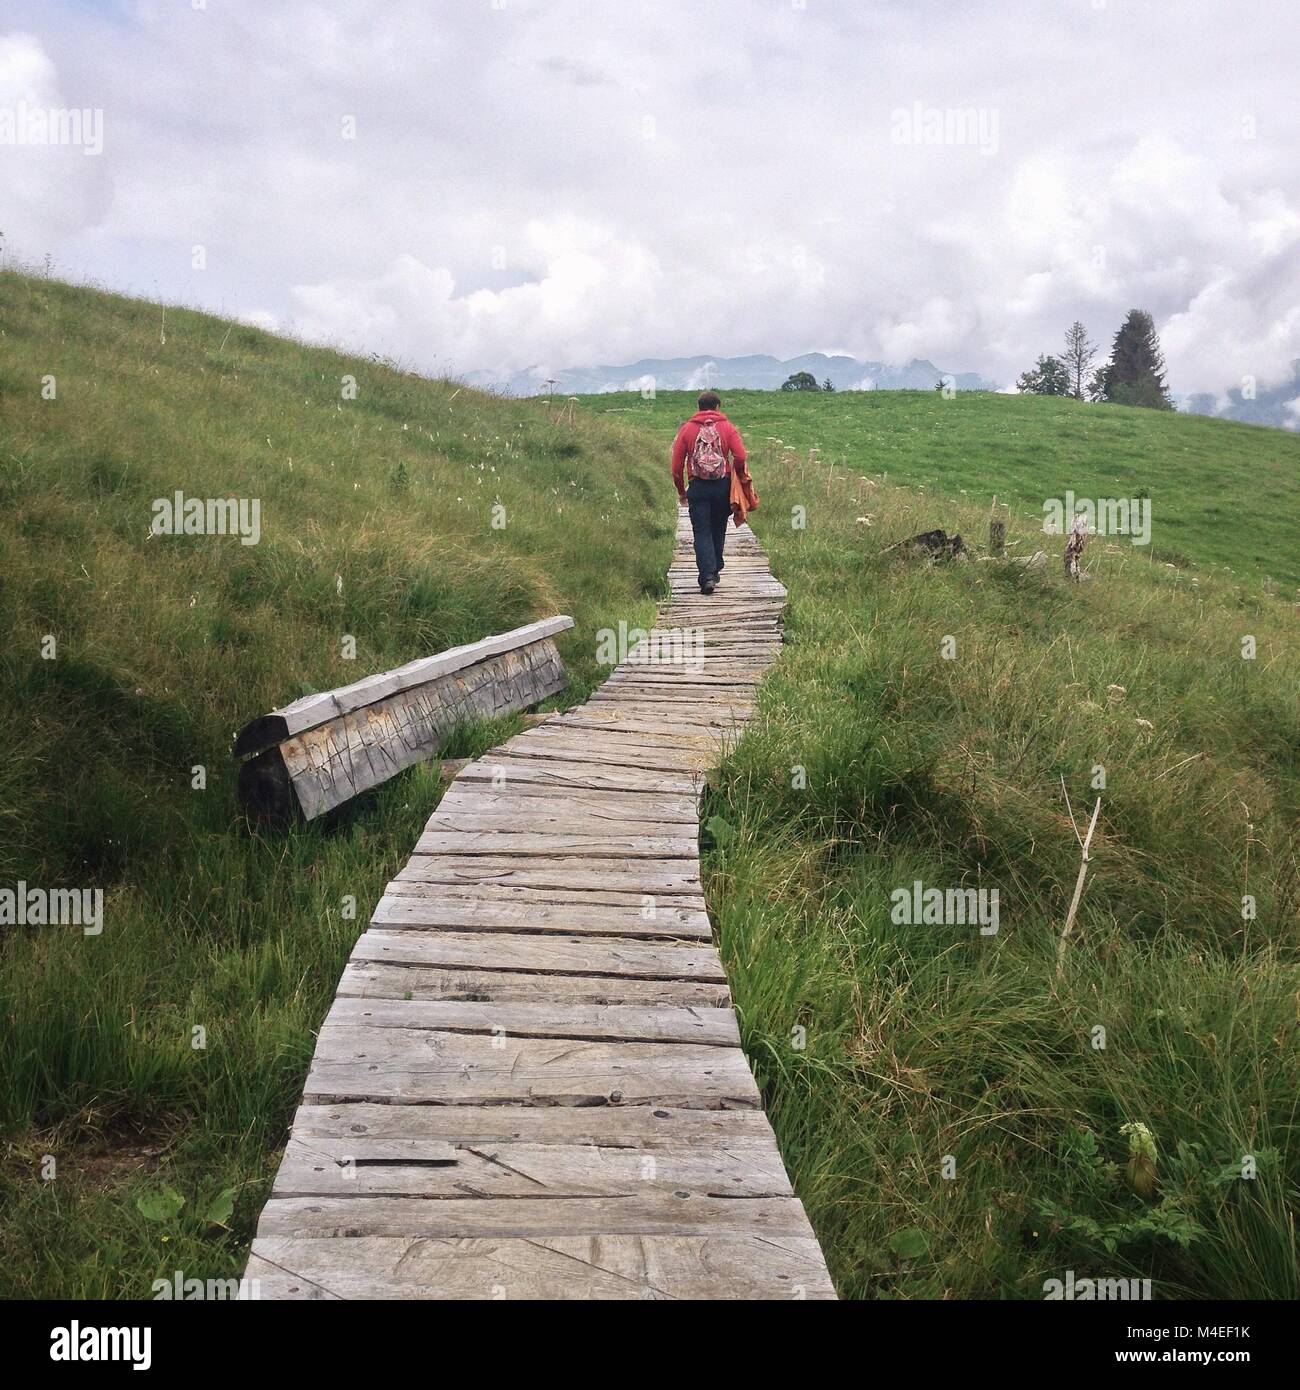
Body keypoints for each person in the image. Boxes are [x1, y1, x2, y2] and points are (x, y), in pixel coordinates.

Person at [671, 391, 748, 594]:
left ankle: (706, 575)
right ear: (718, 407)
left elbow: (676, 467)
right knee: (718, 527)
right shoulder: (727, 427)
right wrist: (737, 474)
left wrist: (681, 491)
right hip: (722, 485)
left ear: (698, 407)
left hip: (698, 487)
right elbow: (741, 455)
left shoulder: (687, 429)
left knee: (702, 530)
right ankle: (715, 569)